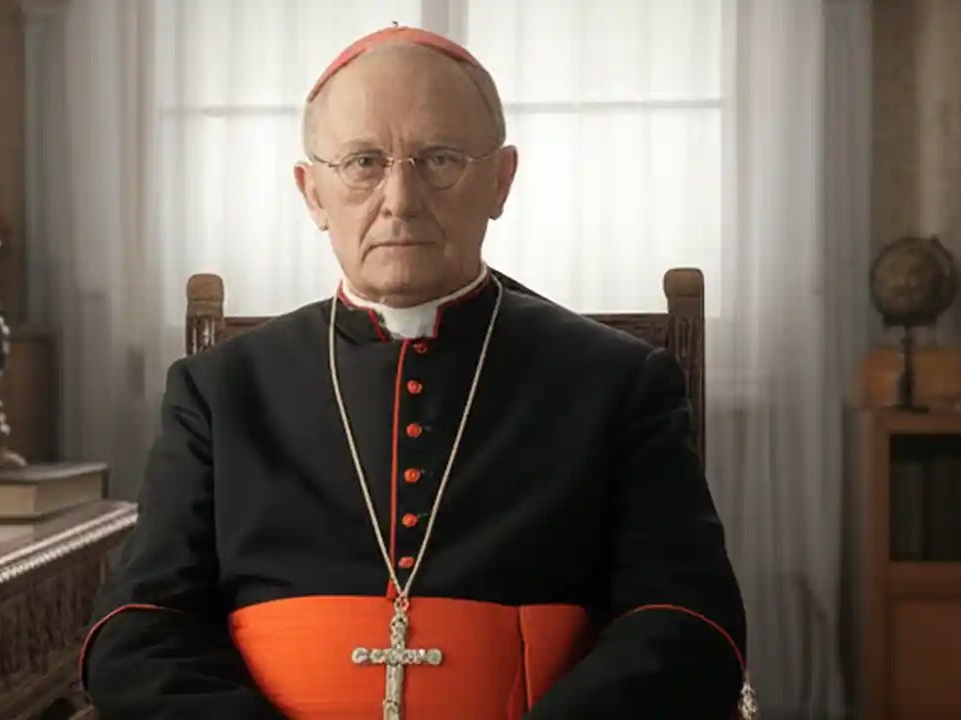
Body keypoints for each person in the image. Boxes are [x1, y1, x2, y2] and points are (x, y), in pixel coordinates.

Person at [79, 24, 753, 720]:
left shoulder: (619, 383)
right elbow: (137, 628)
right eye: (364, 162)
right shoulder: (220, 391)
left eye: (439, 159)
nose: (399, 199)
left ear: (501, 180)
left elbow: (687, 621)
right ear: (312, 192)